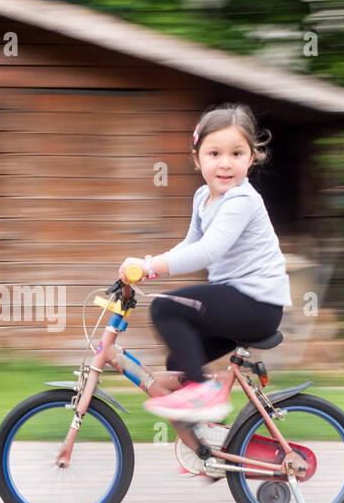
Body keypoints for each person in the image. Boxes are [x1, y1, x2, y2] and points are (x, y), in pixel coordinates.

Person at [117, 103, 291, 431]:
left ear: (250, 159)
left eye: (236, 153)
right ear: (197, 159)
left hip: (257, 304)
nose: (225, 163)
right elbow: (190, 245)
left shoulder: (241, 200)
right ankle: (210, 442)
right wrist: (147, 266)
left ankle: (204, 395)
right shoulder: (202, 197)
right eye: (214, 154)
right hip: (238, 301)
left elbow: (208, 252)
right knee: (180, 361)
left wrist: (149, 267)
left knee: (165, 309)